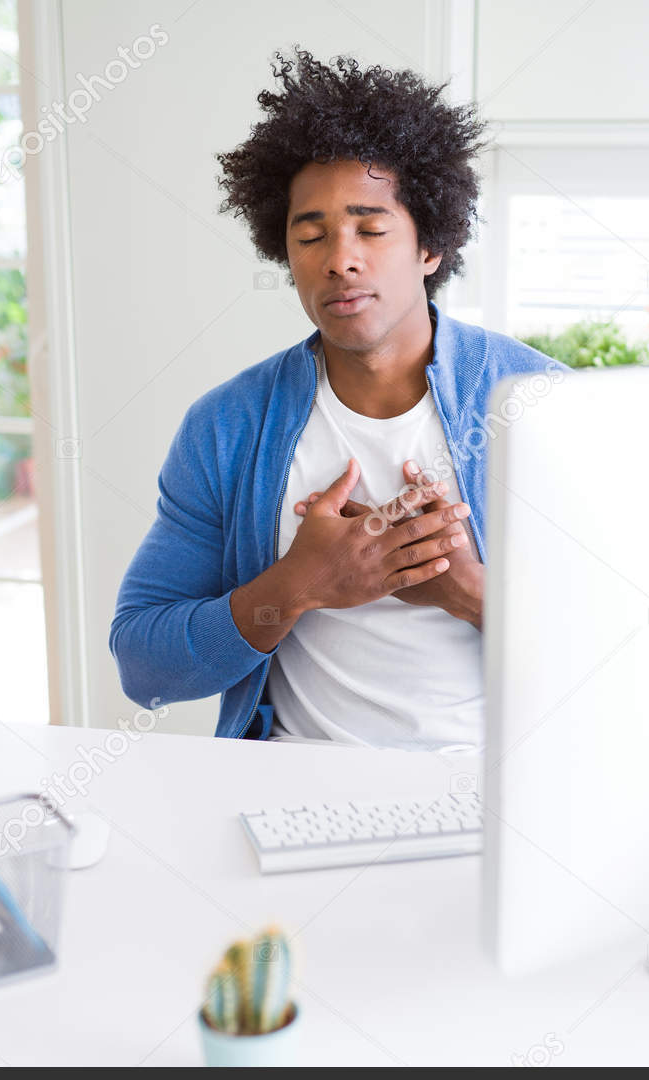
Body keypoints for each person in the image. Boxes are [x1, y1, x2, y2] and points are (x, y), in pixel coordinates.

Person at [111, 49, 562, 751]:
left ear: (431, 246)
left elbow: (637, 646)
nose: (339, 259)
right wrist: (300, 582)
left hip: (496, 796)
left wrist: (467, 589)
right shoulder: (228, 427)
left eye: (371, 228)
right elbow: (145, 668)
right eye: (310, 234)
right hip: (293, 785)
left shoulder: (541, 404)